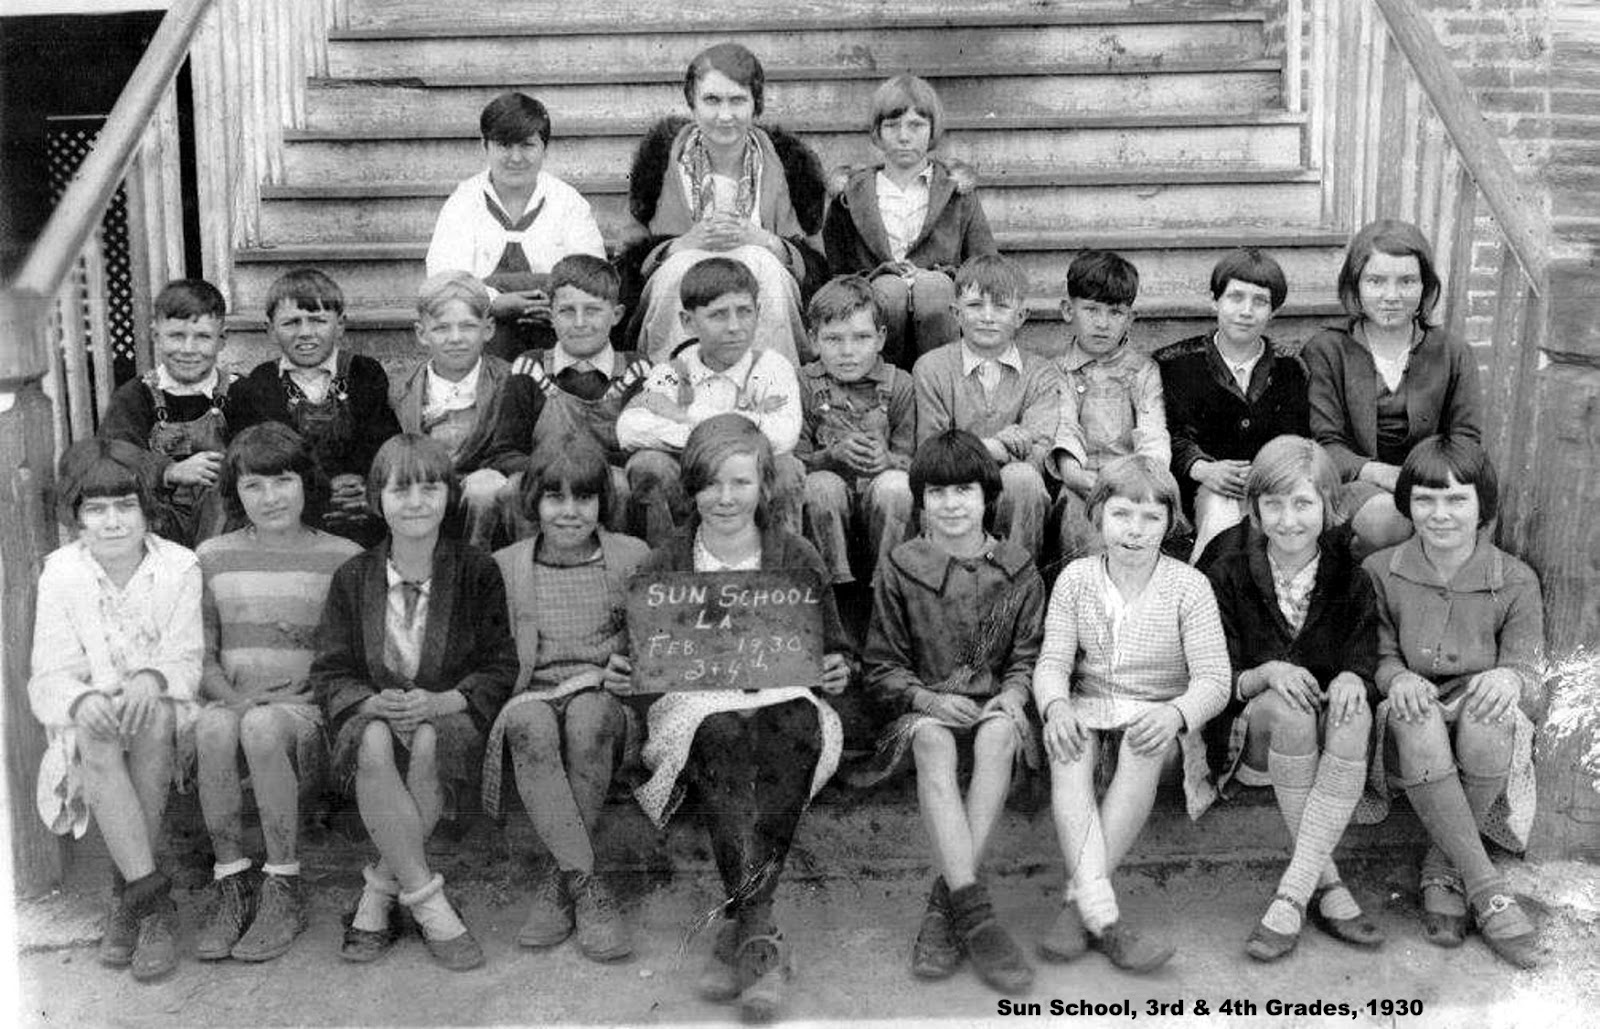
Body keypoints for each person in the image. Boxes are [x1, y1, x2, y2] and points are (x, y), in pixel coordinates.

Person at [632, 414, 852, 1021]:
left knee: (788, 726)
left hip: (782, 699)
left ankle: (741, 922)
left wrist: (836, 668)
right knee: (725, 731)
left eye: (740, 483)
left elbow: (832, 646)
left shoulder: (795, 554)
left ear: (764, 486)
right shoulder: (666, 562)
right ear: (691, 488)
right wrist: (631, 671)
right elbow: (652, 658)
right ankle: (760, 931)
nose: (725, 498)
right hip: (699, 707)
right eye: (710, 484)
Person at [311, 434, 517, 970]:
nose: (417, 502)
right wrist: (367, 703)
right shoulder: (354, 577)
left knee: (429, 740)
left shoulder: (476, 571)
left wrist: (445, 700)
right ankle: (429, 902)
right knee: (374, 740)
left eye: (430, 488)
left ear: (449, 496)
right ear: (378, 498)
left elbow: (500, 665)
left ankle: (379, 890)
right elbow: (330, 670)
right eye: (401, 490)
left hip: (446, 714)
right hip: (373, 714)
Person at [861, 429, 1044, 993]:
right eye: (937, 493)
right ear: (920, 501)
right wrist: (927, 699)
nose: (952, 504)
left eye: (965, 490)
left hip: (992, 706)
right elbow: (882, 665)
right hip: (922, 708)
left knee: (998, 737)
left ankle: (948, 904)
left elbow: (1027, 659)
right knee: (933, 741)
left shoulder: (1018, 568)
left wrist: (1011, 698)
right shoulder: (900, 565)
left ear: (988, 496)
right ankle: (978, 916)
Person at [1032, 455, 1229, 973]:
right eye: (1122, 515)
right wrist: (1054, 707)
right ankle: (1105, 916)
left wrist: (1176, 713)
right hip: (1091, 708)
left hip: (1159, 719)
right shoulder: (1075, 579)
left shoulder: (1189, 586)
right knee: (1069, 750)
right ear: (1097, 515)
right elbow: (1052, 663)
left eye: (1151, 519)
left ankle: (1082, 907)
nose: (1135, 531)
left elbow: (1215, 681)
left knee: (1147, 744)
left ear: (1171, 523)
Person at [1201, 436, 1384, 961]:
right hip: (1252, 731)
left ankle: (1299, 890)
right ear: (1253, 507)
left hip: (1322, 731)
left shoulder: (1349, 573)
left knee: (1353, 712)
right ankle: (1324, 886)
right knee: (1291, 708)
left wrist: (1354, 677)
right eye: (1273, 504)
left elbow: (1363, 654)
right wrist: (1265, 673)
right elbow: (1215, 676)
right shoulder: (1227, 565)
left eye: (1303, 503)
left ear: (1329, 507)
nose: (1288, 520)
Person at [28, 438, 202, 982]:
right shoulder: (61, 572)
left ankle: (128, 897)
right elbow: (50, 672)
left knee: (149, 717)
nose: (112, 522)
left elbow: (186, 655)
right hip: (93, 718)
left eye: (125, 505)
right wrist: (84, 699)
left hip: (164, 707)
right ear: (76, 515)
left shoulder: (179, 566)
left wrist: (152, 678)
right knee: (94, 725)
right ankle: (150, 904)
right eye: (95, 509)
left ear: (146, 507)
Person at [1364, 435, 1541, 969]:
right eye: (1425, 500)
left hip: (1480, 712)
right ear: (1407, 504)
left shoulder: (1514, 578)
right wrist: (1396, 679)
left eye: (1456, 500)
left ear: (1482, 505)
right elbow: (1378, 656)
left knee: (1490, 716)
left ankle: (1443, 866)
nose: (1439, 514)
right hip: (1408, 715)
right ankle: (1486, 886)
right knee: (1416, 718)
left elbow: (1528, 668)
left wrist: (1510, 680)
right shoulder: (1379, 570)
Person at [192, 424, 362, 963]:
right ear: (234, 493)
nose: (271, 498)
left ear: (307, 482)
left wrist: (307, 690)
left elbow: (354, 656)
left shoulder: (344, 557)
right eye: (253, 487)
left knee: (262, 726)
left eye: (283, 481)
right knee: (215, 725)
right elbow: (201, 653)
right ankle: (232, 881)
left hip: (306, 716)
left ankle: (283, 882)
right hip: (232, 704)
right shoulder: (212, 556)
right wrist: (232, 699)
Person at [481, 438, 650, 962]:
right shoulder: (506, 564)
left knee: (586, 716)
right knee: (529, 724)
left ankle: (561, 883)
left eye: (584, 499)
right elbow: (494, 655)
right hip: (533, 694)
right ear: (534, 503)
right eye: (555, 498)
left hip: (605, 698)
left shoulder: (631, 557)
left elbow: (659, 644)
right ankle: (583, 882)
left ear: (604, 502)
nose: (570, 512)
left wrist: (633, 671)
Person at [621, 42, 826, 366]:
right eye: (712, 100)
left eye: (737, 100)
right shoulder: (658, 163)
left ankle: (772, 394)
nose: (725, 115)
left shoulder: (789, 164)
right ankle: (676, 398)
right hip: (674, 296)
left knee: (760, 262)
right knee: (683, 266)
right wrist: (681, 245)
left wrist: (769, 242)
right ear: (693, 103)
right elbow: (627, 263)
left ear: (755, 105)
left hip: (768, 291)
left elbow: (818, 265)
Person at [1303, 220, 1483, 553]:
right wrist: (1382, 474)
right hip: (1355, 483)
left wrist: (1428, 482)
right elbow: (1324, 444)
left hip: (1433, 482)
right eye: (1375, 281)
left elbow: (1466, 439)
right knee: (1391, 520)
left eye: (1407, 281)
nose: (1391, 296)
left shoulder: (1453, 352)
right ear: (1355, 285)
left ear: (1425, 287)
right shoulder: (1326, 350)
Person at [616, 256, 805, 545]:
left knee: (786, 468)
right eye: (718, 315)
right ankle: (672, 572)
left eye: (744, 312)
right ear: (688, 322)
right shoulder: (672, 372)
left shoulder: (772, 367)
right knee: (648, 464)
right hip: (690, 485)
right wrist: (746, 426)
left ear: (759, 312)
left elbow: (783, 435)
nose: (734, 326)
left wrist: (685, 415)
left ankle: (778, 573)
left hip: (748, 482)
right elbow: (630, 429)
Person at [822, 74, 996, 367]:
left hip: (941, 309)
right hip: (877, 309)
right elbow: (836, 268)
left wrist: (942, 279)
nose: (904, 136)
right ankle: (884, 387)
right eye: (892, 125)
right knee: (889, 290)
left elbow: (984, 262)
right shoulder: (851, 194)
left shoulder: (956, 192)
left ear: (932, 131)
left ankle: (942, 387)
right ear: (877, 132)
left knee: (933, 290)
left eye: (916, 125)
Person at [425, 91, 607, 360]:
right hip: (484, 327)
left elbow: (592, 274)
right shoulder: (463, 202)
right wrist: (494, 302)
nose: (516, 157)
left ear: (545, 147)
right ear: (484, 145)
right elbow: (444, 277)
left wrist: (558, 303)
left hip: (554, 327)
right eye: (504, 145)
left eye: (527, 145)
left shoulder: (567, 201)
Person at [1154, 248, 1309, 561]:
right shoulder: (1176, 364)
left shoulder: (1291, 370)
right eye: (1235, 297)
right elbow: (1166, 433)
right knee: (1221, 514)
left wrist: (1266, 475)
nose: (1246, 311)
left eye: (1260, 301)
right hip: (1200, 488)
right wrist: (1203, 469)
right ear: (1215, 300)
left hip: (1270, 486)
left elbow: (1297, 440)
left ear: (1274, 311)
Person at [229, 268, 401, 546]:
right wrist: (324, 488)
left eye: (318, 321)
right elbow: (271, 456)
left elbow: (379, 442)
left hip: (360, 500)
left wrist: (362, 485)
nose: (305, 333)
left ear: (341, 324)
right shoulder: (261, 382)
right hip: (298, 507)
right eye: (291, 323)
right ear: (270, 329)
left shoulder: (364, 372)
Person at [486, 254, 652, 538]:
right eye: (566, 311)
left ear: (617, 315)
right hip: (544, 484)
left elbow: (639, 451)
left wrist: (586, 475)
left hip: (606, 485)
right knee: (514, 487)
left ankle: (621, 571)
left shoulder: (637, 370)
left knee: (622, 485)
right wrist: (556, 474)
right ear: (550, 315)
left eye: (592, 310)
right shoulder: (530, 367)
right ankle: (527, 572)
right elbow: (505, 452)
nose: (579, 322)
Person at [912, 254, 1059, 558]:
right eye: (975, 305)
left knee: (1022, 479)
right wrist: (993, 446)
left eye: (1001, 306)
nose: (988, 317)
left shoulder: (1040, 372)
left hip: (1013, 495)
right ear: (955, 313)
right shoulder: (931, 368)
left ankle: (1016, 581)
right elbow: (931, 451)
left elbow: (1039, 449)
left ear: (1021, 316)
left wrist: (965, 447)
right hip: (952, 490)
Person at [389, 271, 530, 547]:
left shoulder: (510, 381)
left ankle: (477, 570)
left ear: (488, 329)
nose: (455, 338)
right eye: (441, 328)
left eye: (467, 327)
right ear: (421, 333)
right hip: (426, 483)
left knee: (484, 488)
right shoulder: (402, 387)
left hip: (485, 490)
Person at [1051, 250, 1171, 562]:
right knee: (1076, 510)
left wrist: (1143, 480)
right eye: (1091, 310)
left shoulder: (1143, 371)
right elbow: (1065, 427)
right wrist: (1074, 473)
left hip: (1134, 481)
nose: (1102, 324)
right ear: (1068, 310)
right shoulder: (1059, 371)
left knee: (1140, 515)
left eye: (1115, 313)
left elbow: (1153, 432)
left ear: (1130, 318)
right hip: (1081, 479)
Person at [796, 275, 915, 585]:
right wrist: (831, 456)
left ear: (881, 338)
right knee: (821, 486)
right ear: (813, 339)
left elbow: (917, 461)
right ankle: (833, 588)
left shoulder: (901, 384)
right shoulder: (804, 383)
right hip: (827, 511)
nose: (847, 351)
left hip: (884, 510)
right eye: (834, 339)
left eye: (861, 338)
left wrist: (889, 460)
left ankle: (889, 587)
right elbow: (794, 461)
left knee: (897, 486)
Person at [97, 278, 233, 547]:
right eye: (176, 336)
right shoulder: (135, 396)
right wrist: (169, 471)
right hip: (157, 525)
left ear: (221, 340)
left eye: (203, 337)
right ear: (156, 336)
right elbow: (112, 460)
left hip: (225, 528)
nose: (188, 349)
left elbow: (265, 459)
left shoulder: (242, 392)